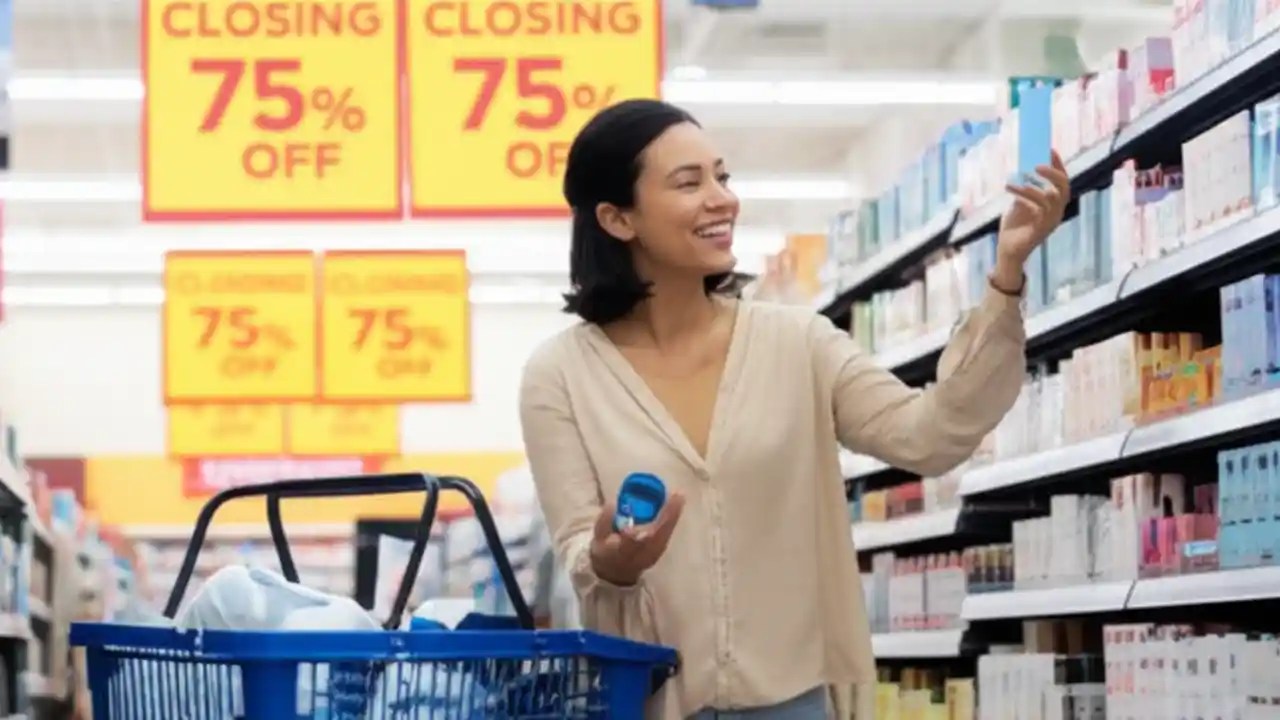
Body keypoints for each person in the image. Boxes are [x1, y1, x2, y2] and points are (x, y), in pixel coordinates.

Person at [518, 99, 1069, 719]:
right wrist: (612, 561)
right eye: (688, 182)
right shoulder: (558, 376)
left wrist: (1005, 279)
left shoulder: (796, 343)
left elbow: (929, 437)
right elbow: (576, 552)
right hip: (648, 702)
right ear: (618, 219)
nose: (722, 199)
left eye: (722, 177)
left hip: (793, 701)